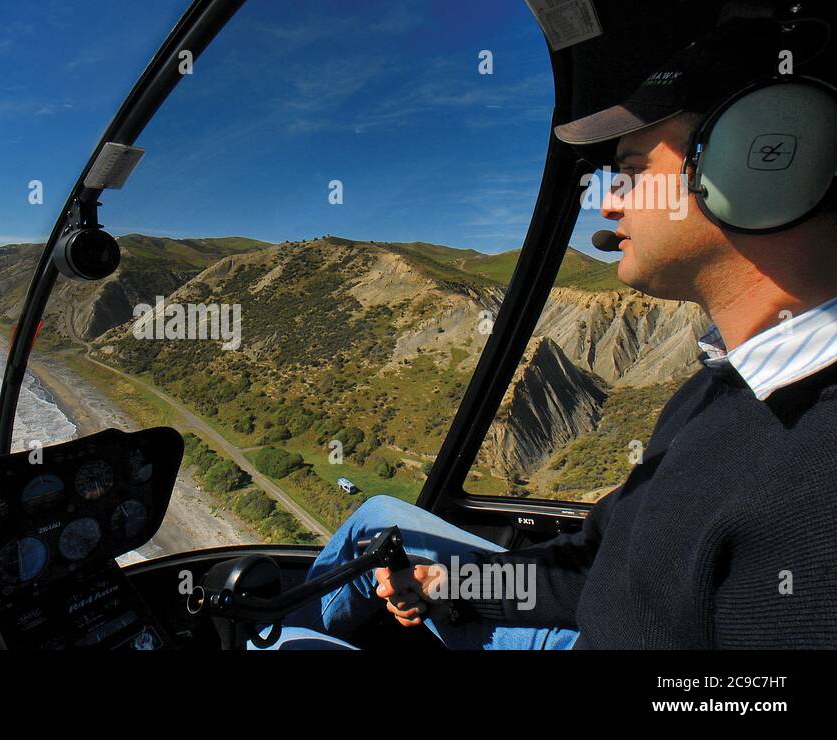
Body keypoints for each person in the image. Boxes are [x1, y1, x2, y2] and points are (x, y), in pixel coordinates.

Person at [279, 19, 837, 649]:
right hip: (588, 624)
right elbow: (594, 568)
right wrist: (454, 586)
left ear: (763, 156)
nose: (606, 203)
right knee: (377, 518)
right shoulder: (719, 386)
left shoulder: (817, 487)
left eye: (630, 170)